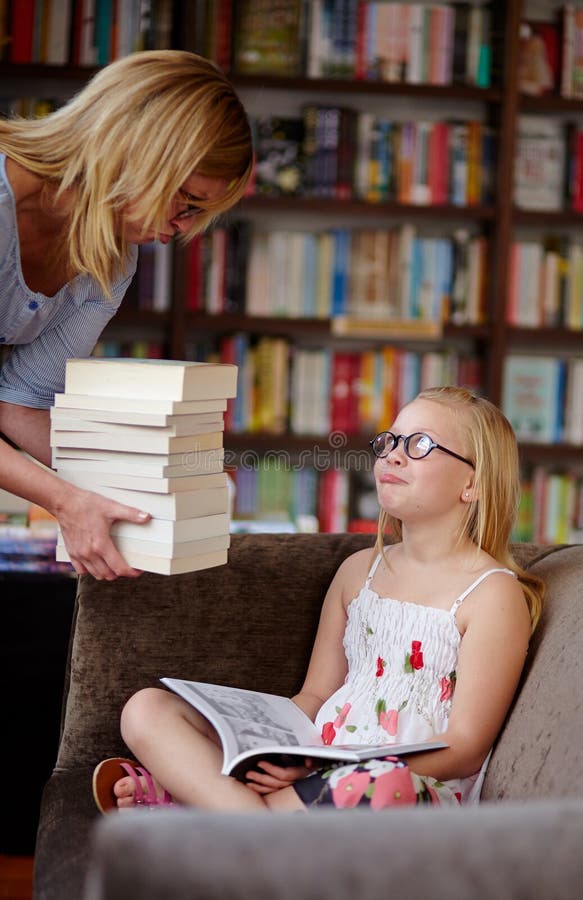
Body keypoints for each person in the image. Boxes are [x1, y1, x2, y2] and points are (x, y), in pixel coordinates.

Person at [93, 386, 545, 812]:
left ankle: (205, 807)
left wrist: (328, 768)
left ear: (473, 484)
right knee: (146, 709)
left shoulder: (492, 594)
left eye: (420, 445)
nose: (392, 454)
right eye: (390, 441)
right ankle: (248, 816)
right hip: (313, 762)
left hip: (396, 787)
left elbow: (465, 748)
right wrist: (267, 746)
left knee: (376, 782)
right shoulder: (358, 571)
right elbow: (314, 696)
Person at [0, 49, 253, 580]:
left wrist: (160, 490)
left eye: (199, 213)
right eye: (186, 201)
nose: (184, 228)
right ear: (139, 150)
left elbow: (20, 403)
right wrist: (66, 500)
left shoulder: (110, 259)